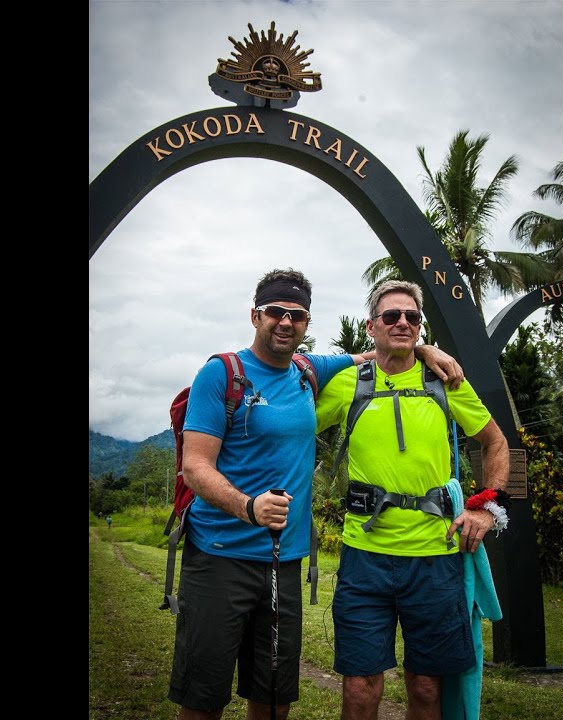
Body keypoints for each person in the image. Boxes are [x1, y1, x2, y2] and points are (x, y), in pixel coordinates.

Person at [170, 269, 464, 720]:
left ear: (307, 324)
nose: (285, 322)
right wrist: (247, 507)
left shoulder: (309, 371)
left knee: (273, 696)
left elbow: (381, 350)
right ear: (255, 316)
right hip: (219, 555)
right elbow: (195, 466)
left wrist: (422, 346)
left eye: (298, 315)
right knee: (204, 694)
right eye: (275, 312)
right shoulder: (221, 373)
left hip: (284, 562)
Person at [315, 280, 511, 720]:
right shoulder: (350, 383)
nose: (402, 323)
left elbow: (495, 443)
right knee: (361, 686)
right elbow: (292, 425)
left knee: (426, 687)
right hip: (365, 555)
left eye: (412, 317)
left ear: (420, 328)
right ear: (371, 327)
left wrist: (487, 506)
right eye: (391, 316)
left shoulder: (445, 380)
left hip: (435, 556)